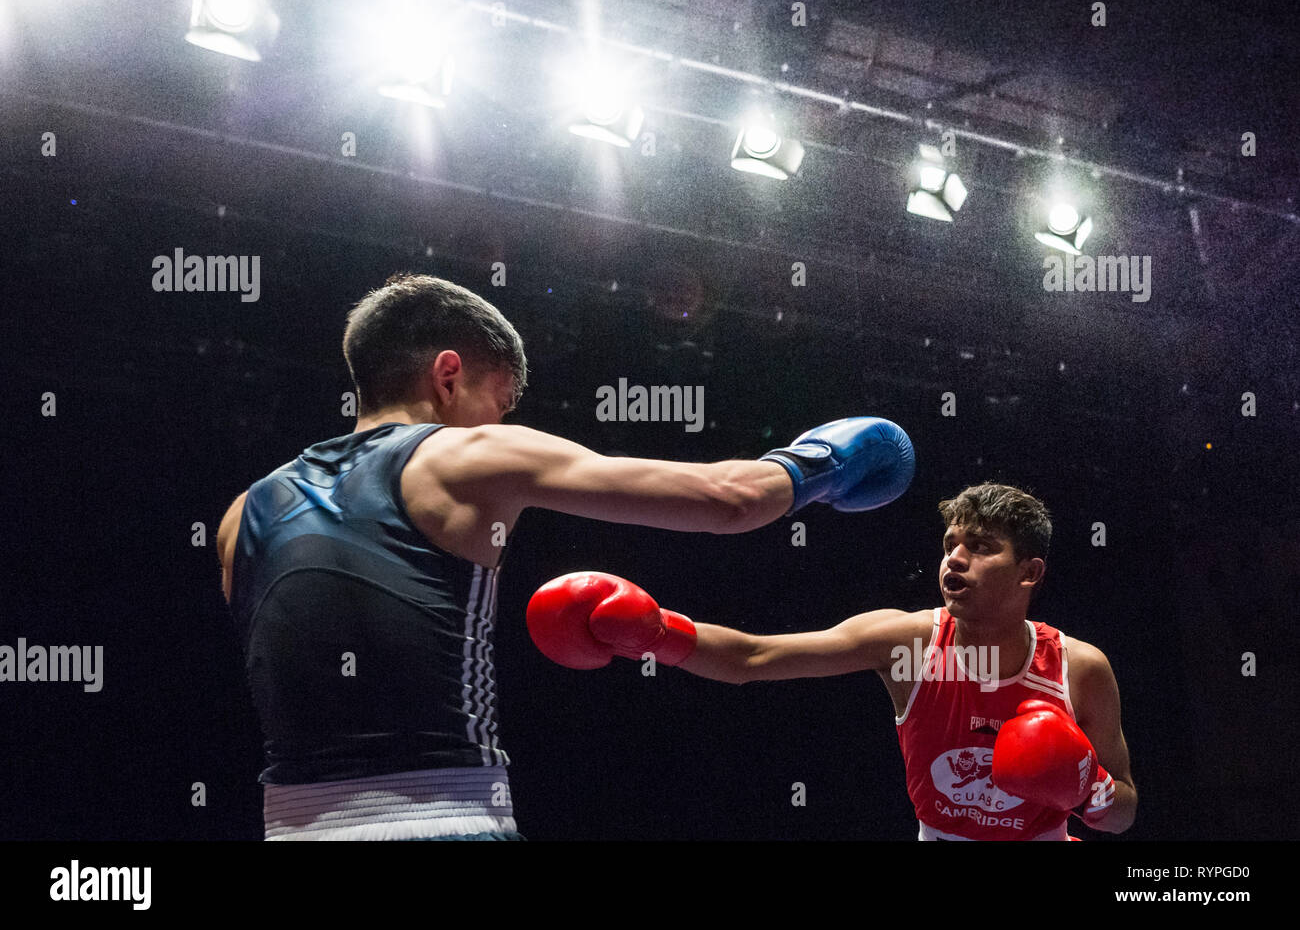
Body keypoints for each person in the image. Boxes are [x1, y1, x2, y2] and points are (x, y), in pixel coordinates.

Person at [215, 271, 915, 840]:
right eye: (501, 401)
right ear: (449, 375)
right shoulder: (466, 453)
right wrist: (822, 464)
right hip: (447, 817)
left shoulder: (243, 512)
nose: (501, 423)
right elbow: (727, 498)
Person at [527, 482, 1136, 840]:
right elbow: (754, 657)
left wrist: (1089, 788)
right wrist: (658, 633)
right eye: (951, 544)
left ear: (1030, 571)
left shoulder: (1079, 668)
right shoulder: (906, 644)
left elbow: (1125, 811)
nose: (955, 560)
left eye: (981, 548)